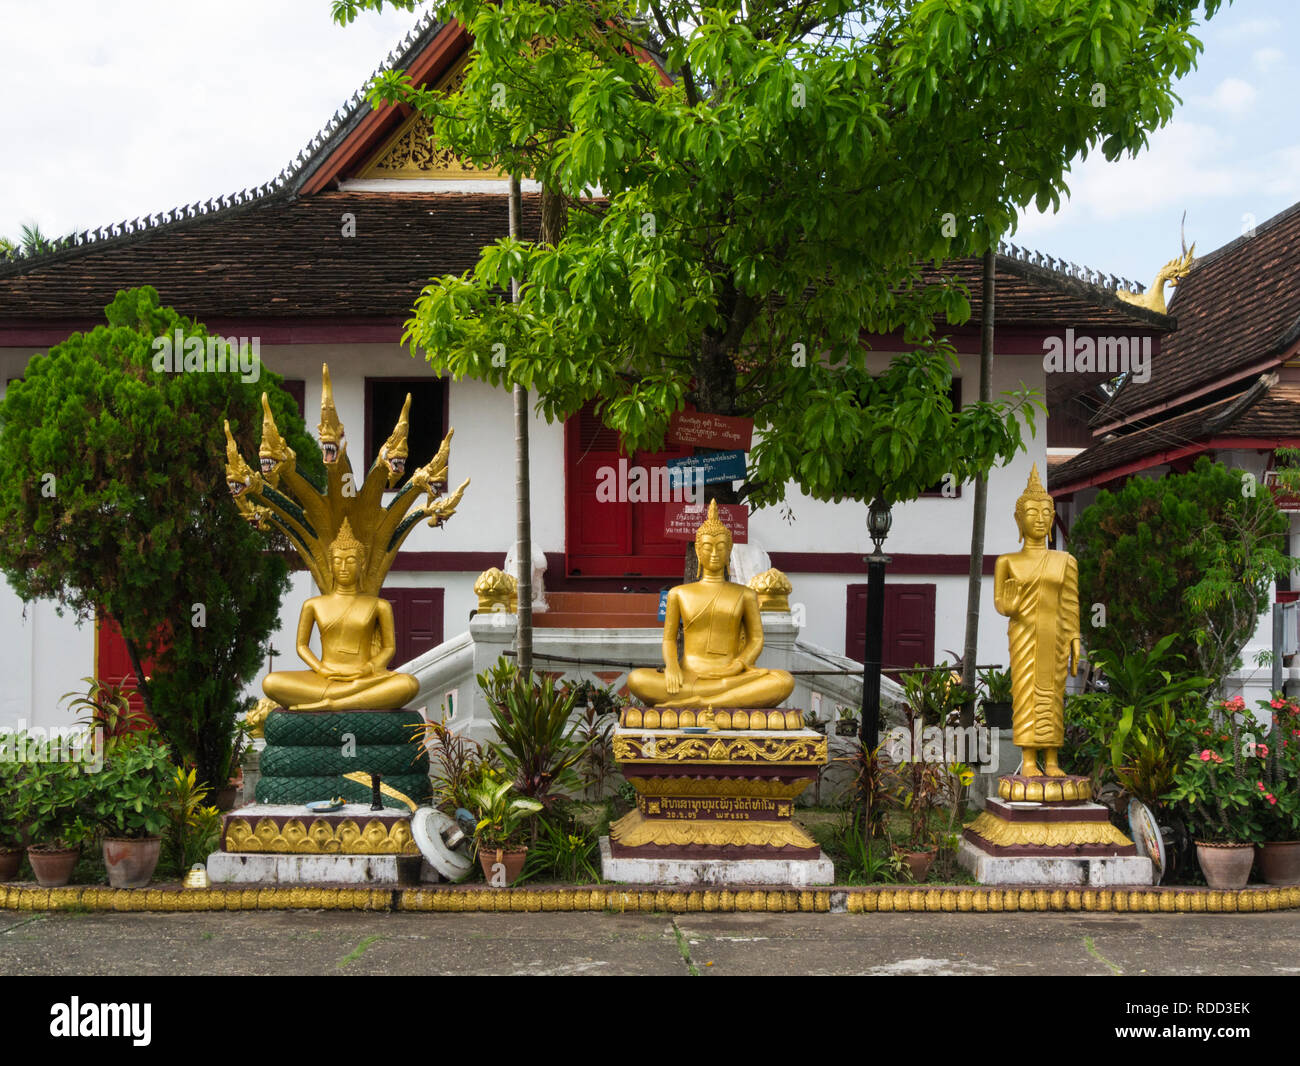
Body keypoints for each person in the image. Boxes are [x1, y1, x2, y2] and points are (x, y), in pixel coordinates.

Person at [628, 501, 794, 709]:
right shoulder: (679, 593)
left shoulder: (745, 594)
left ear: (729, 552)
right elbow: (669, 639)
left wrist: (739, 664)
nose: (714, 553)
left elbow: (756, 638)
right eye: (708, 547)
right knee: (637, 679)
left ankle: (701, 702)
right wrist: (672, 667)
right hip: (688, 677)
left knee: (783, 680)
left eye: (721, 547)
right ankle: (720, 700)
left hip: (730, 675)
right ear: (698, 551)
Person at [262, 520, 418, 711]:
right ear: (330, 565)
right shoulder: (314, 604)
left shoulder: (379, 605)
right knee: (271, 682)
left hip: (362, 677)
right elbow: (301, 646)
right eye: (337, 561)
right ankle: (350, 698)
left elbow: (388, 648)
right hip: (324, 677)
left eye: (350, 560)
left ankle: (333, 703)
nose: (343, 567)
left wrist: (367, 669)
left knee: (408, 685)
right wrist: (321, 669)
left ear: (362, 564)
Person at [993, 465, 1082, 776]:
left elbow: (1070, 603)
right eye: (1033, 512)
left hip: (1056, 637)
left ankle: (1053, 761)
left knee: (1054, 694)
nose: (1041, 518)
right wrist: (1011, 604)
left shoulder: (1065, 561)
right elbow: (1001, 604)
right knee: (1027, 692)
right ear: (1020, 520)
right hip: (1024, 636)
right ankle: (1029, 760)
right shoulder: (1007, 561)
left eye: (1047, 512)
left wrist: (1074, 638)